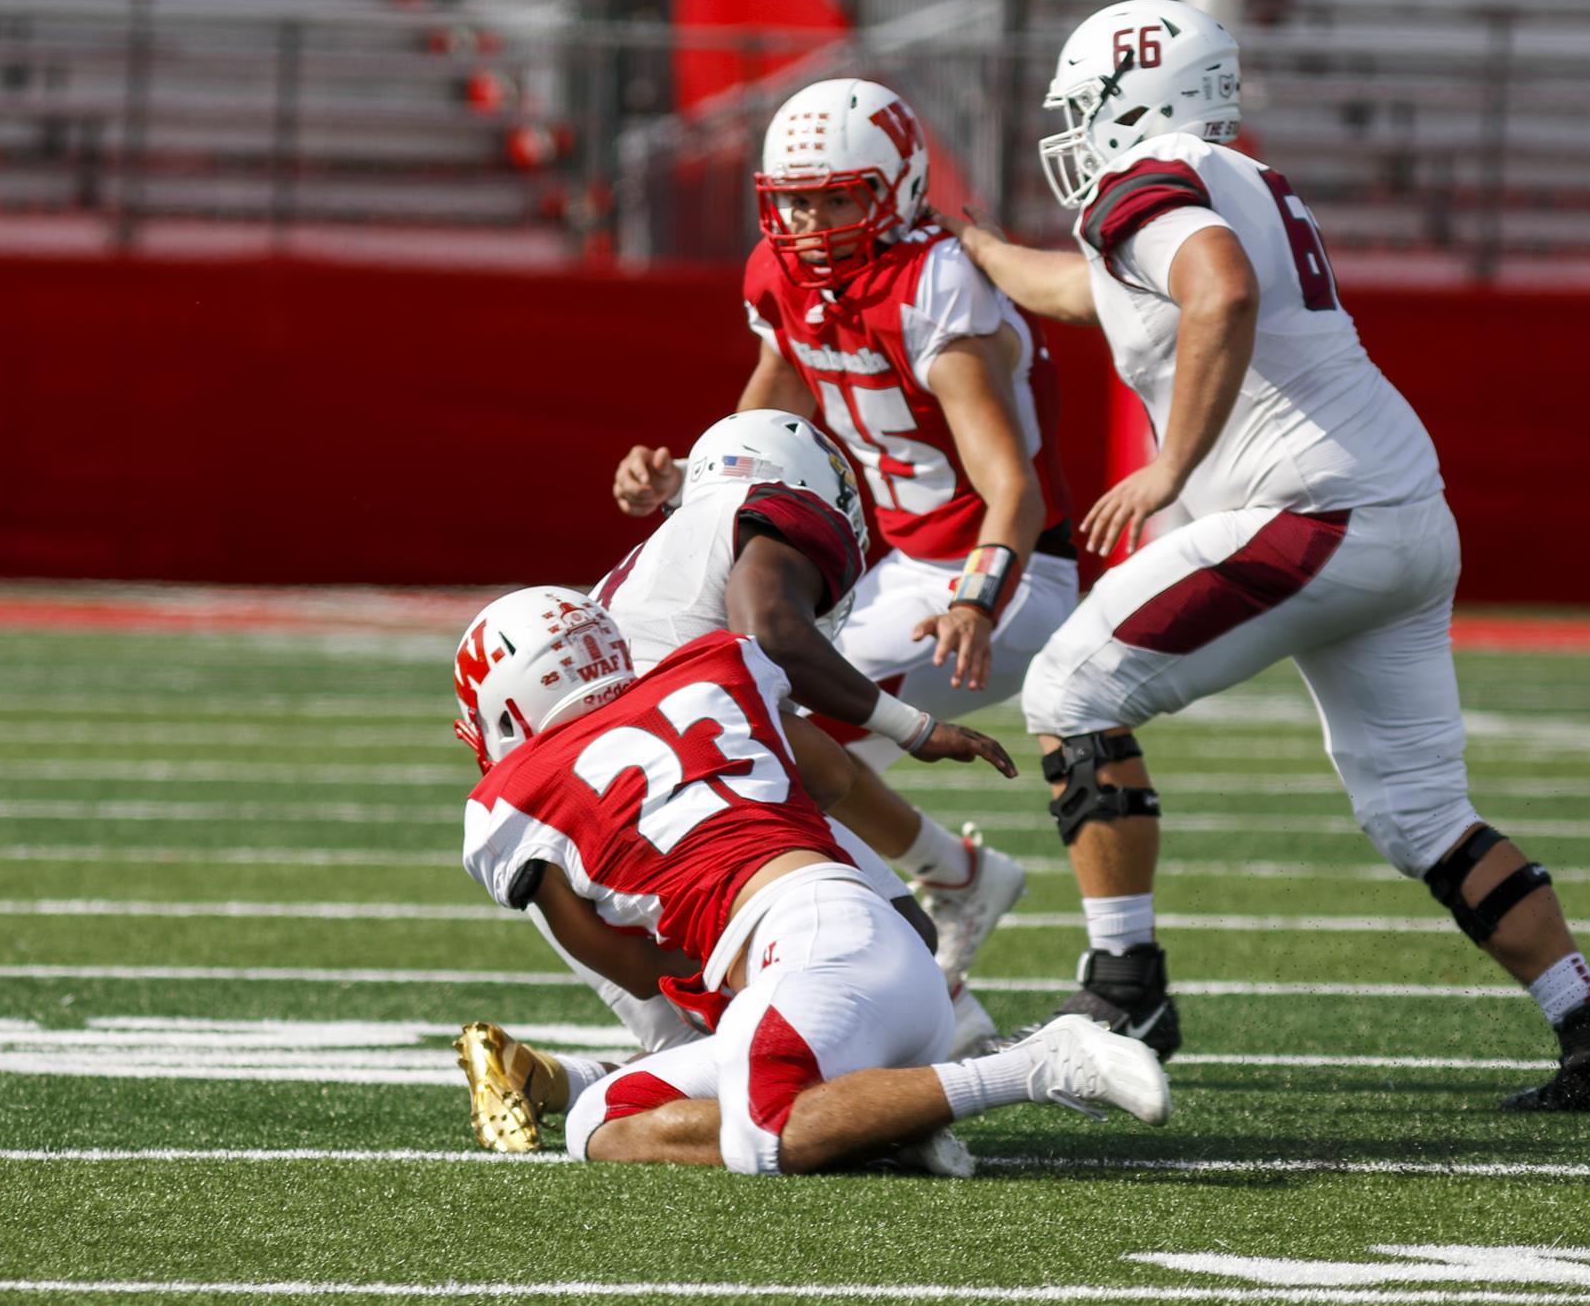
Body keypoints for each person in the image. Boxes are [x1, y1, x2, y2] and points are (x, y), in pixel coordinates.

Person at [953, 0, 1590, 1112]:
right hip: (1398, 509)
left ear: (1130, 99)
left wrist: (1167, 464)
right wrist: (973, 247)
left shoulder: (1148, 183)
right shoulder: (1232, 176)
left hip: (1316, 508)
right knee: (1419, 813)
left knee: (1070, 684)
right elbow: (1082, 288)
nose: (1074, 131)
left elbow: (1217, 291)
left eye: (1082, 107)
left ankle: (1123, 982)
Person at [612, 77, 1083, 994]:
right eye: (795, 198)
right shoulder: (781, 275)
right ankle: (956, 883)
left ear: (897, 189)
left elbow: (1013, 490)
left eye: (838, 196)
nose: (813, 220)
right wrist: (690, 485)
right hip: (904, 567)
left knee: (756, 735)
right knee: (764, 731)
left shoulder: (931, 284)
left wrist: (977, 600)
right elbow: (772, 411)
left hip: (1005, 576)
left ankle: (915, 950)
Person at [452, 586, 1169, 1175]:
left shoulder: (514, 796)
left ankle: (1040, 1063)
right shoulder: (712, 669)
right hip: (854, 946)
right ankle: (883, 1119)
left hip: (809, 960)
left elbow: (636, 970)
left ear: (508, 708)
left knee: (763, 1135)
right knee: (599, 1120)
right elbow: (829, 775)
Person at [520, 409, 1016, 1071]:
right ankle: (941, 1070)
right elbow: (773, 628)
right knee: (900, 938)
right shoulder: (769, 511)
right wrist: (916, 728)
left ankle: (593, 1084)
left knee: (687, 1051)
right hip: (695, 786)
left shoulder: (636, 569)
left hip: (562, 819)